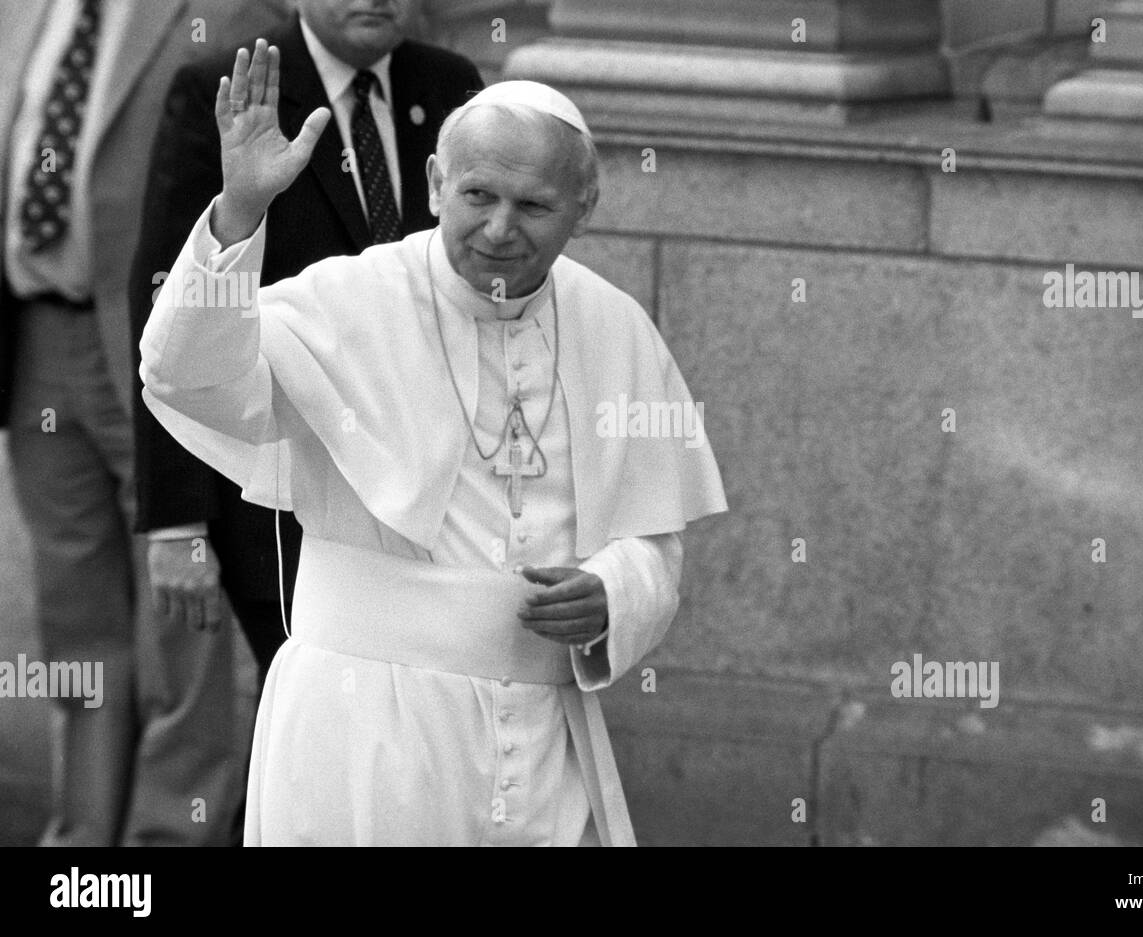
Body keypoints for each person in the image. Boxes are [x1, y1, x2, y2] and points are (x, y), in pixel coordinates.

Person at [140, 40, 727, 845]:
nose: (498, 229)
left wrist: (613, 593)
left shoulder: (614, 325)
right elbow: (186, 376)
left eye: (534, 207)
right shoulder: (350, 299)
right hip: (366, 729)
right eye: (478, 194)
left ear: (584, 208)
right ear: (434, 184)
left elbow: (657, 544)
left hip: (543, 740)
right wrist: (238, 213)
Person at [130, 2, 482, 687]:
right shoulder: (226, 89)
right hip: (279, 494)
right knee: (309, 711)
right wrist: (177, 521)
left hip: (431, 495)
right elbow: (171, 314)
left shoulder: (451, 85)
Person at [0, 0, 285, 846]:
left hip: (156, 340)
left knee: (181, 625)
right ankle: (83, 847)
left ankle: (167, 841)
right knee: (75, 620)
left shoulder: (224, 10)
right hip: (35, 335)